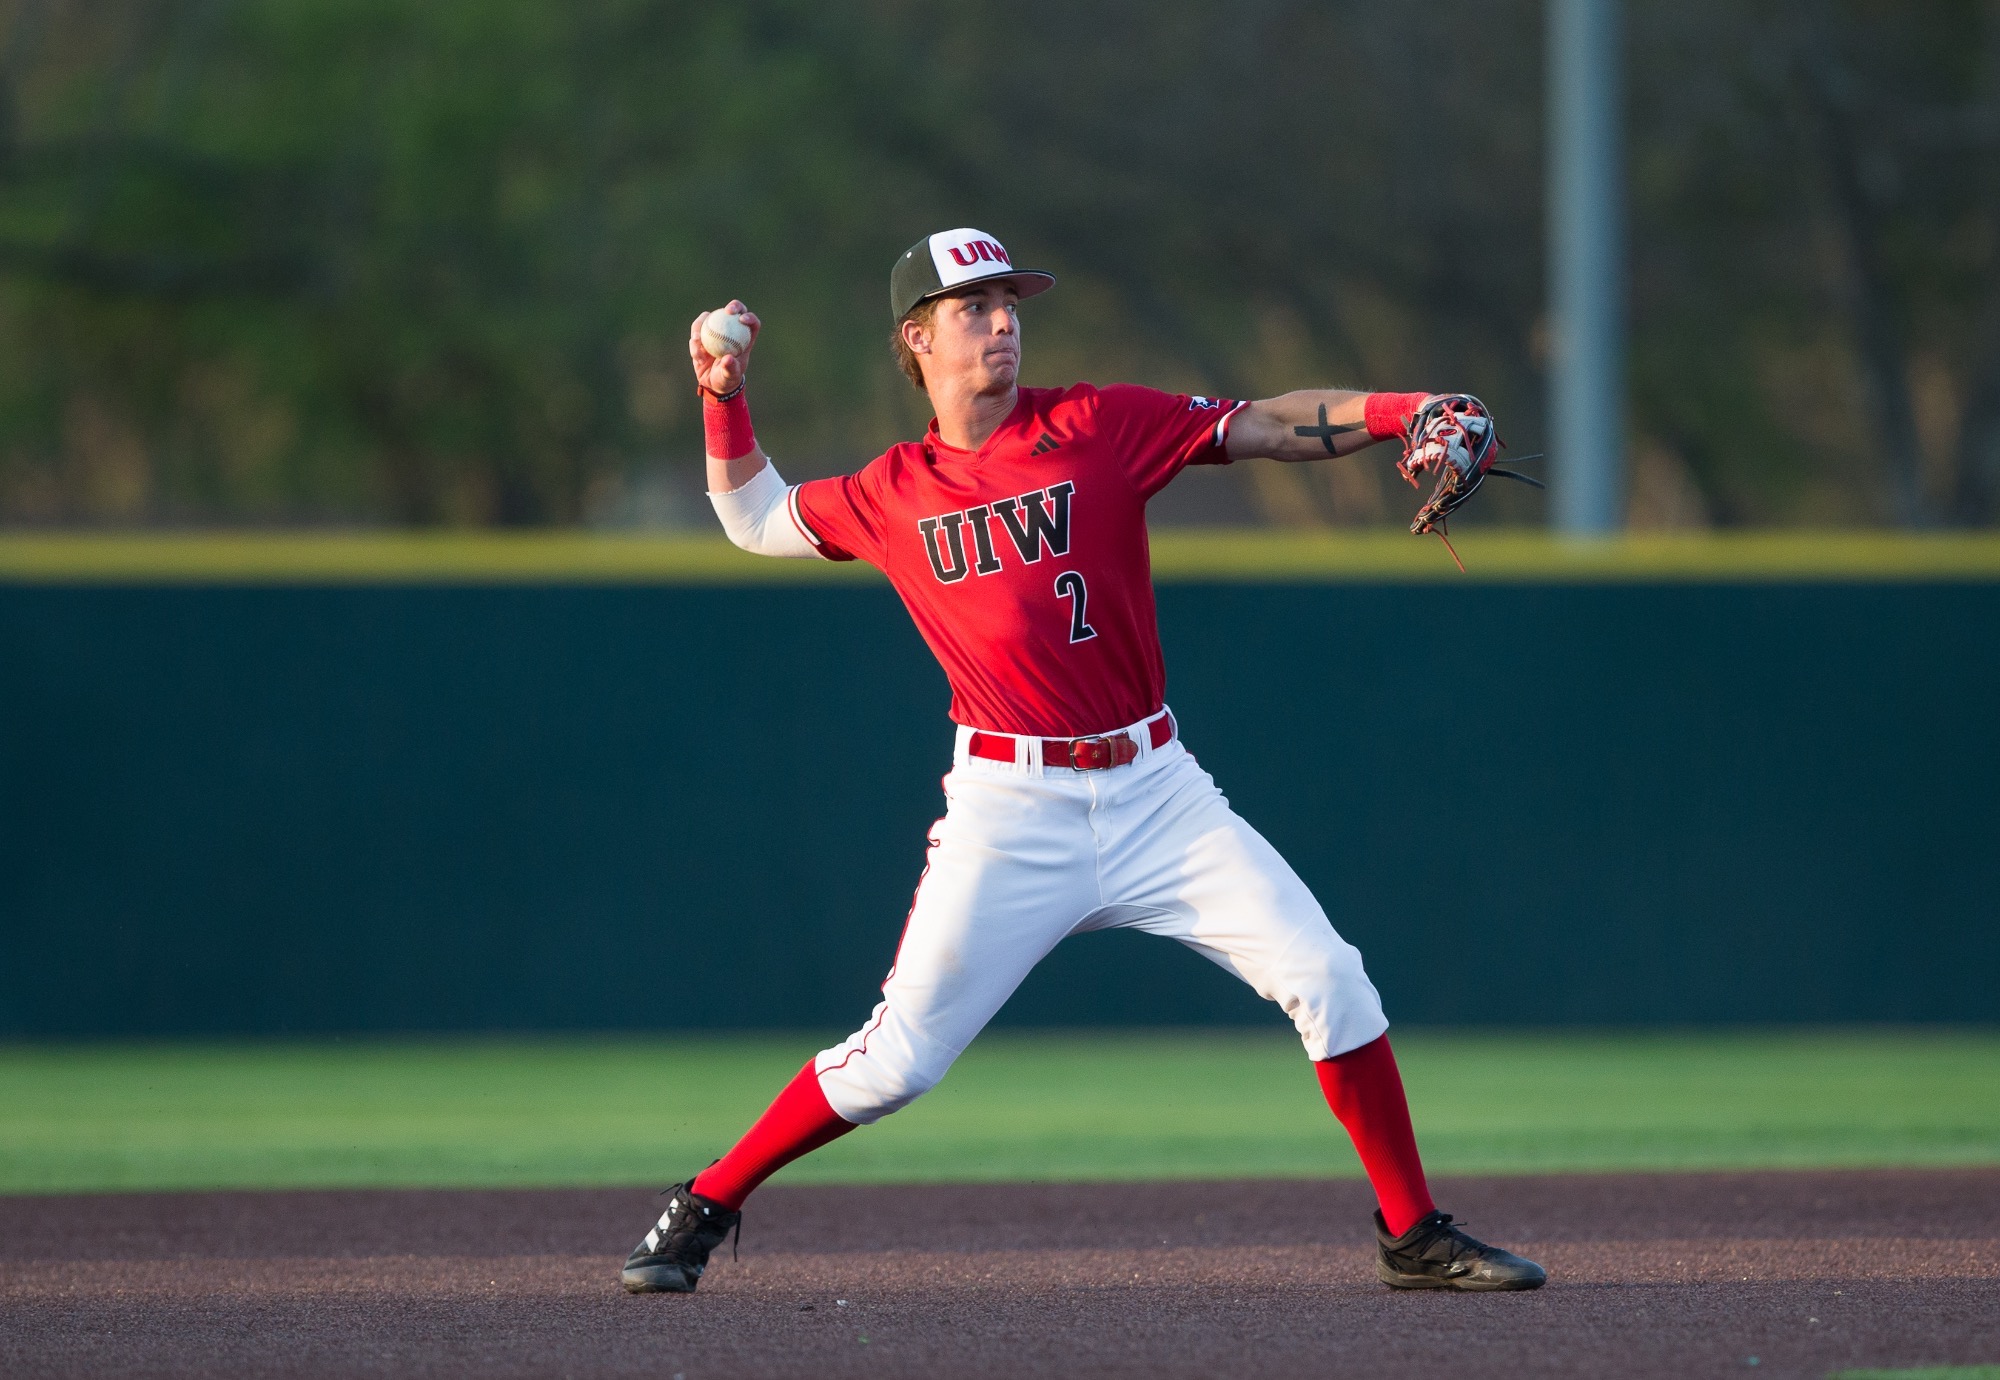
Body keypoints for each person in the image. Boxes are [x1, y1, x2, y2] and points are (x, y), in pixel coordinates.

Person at [622, 228, 1545, 1295]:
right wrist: (722, 395)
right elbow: (750, 516)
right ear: (917, 338)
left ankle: (1412, 1234)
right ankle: (704, 1202)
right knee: (896, 1063)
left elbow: (1266, 423)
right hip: (1009, 808)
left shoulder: (1098, 424)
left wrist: (1400, 410)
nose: (1002, 323)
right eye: (974, 307)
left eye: (1010, 304)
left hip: (1158, 792)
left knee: (1329, 978)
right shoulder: (893, 489)